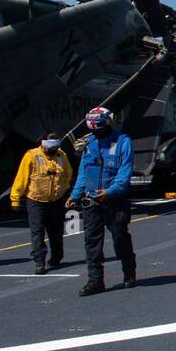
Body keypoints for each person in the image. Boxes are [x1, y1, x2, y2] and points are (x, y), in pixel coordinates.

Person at [67, 107, 136, 296]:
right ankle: (95, 281)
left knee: (119, 236)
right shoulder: (89, 143)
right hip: (92, 199)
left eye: (98, 129)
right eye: (93, 130)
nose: (95, 133)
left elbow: (125, 172)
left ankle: (129, 271)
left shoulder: (123, 142)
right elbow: (84, 171)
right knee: (91, 241)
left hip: (115, 199)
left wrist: (111, 191)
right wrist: (74, 196)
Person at [10, 132, 72, 274]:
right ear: (43, 145)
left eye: (56, 147)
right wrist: (15, 198)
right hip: (36, 201)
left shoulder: (61, 156)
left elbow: (68, 173)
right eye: (51, 147)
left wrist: (65, 189)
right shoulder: (32, 156)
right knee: (37, 232)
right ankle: (40, 261)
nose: (53, 150)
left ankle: (57, 256)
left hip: (56, 201)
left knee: (56, 232)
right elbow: (22, 177)